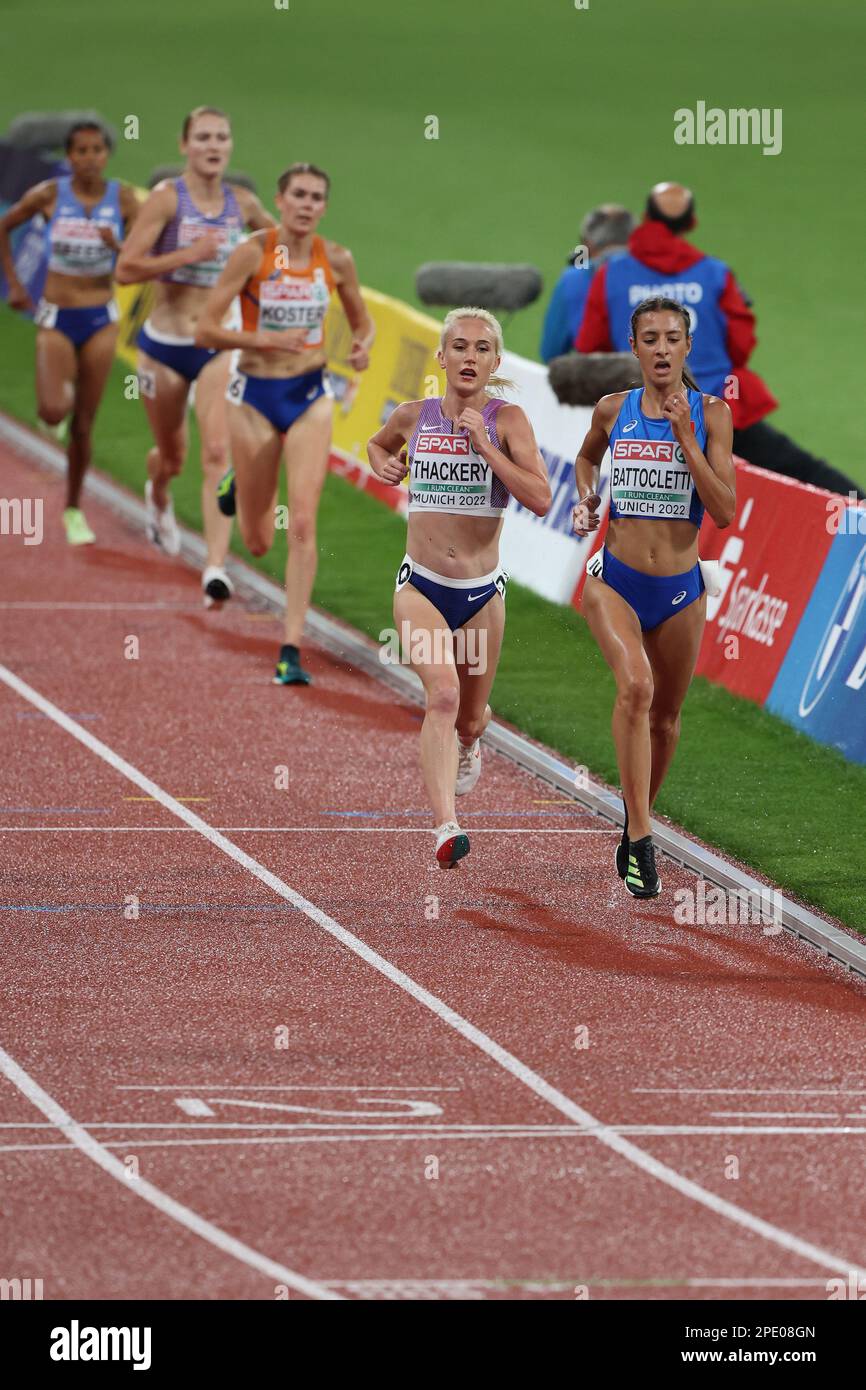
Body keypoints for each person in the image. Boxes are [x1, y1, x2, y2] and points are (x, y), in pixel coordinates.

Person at [367, 308, 551, 869]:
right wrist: (384, 465)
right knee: (441, 695)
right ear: (441, 357)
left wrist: (486, 448)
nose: (470, 357)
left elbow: (542, 499)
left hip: (480, 597)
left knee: (469, 717)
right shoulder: (413, 415)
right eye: (459, 347)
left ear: (496, 362)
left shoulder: (509, 421)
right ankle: (446, 826)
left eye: (482, 349)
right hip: (419, 587)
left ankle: (471, 742)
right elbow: (378, 445)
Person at [572, 296, 735, 899]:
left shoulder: (712, 414)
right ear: (635, 348)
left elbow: (723, 511)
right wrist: (586, 497)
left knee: (665, 720)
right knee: (635, 688)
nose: (662, 348)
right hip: (613, 580)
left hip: (682, 592)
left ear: (687, 347)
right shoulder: (613, 409)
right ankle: (643, 837)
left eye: (673, 337)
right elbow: (587, 458)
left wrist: (687, 439)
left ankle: (632, 819)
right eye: (650, 338)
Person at [195, 162, 374, 682]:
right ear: (279, 200)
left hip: (309, 395)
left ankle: (291, 647)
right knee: (256, 540)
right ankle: (239, 483)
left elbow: (362, 322)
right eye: (298, 194)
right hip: (252, 396)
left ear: (324, 207)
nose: (307, 204)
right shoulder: (252, 252)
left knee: (301, 520)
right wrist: (263, 341)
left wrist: (362, 346)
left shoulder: (336, 259)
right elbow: (208, 328)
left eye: (317, 197)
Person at [575, 181, 862, 498]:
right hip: (720, 407)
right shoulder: (714, 273)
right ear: (691, 223)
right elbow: (741, 345)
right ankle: (857, 509)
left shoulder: (610, 275)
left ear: (645, 216)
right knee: (799, 471)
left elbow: (589, 348)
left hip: (644, 417)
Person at [115, 106, 274, 604]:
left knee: (214, 453)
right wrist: (189, 255)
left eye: (221, 137)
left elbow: (284, 248)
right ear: (185, 145)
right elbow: (125, 269)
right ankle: (158, 492)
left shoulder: (243, 204)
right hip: (162, 347)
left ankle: (214, 567)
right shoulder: (166, 201)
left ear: (230, 147)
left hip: (214, 343)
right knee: (173, 456)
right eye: (203, 137)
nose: (213, 146)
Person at [0, 122, 139, 544]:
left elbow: (143, 256)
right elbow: (4, 227)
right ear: (69, 156)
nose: (90, 158)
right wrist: (16, 287)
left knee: (83, 425)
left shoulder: (125, 200)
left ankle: (74, 509)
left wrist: (116, 247)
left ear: (107, 155)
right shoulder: (49, 194)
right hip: (57, 315)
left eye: (98, 150)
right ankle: (56, 406)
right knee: (53, 411)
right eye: (81, 150)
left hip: (100, 317)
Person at [539, 204, 633, 363]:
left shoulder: (573, 279)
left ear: (588, 243)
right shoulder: (656, 272)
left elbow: (551, 352)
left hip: (600, 380)